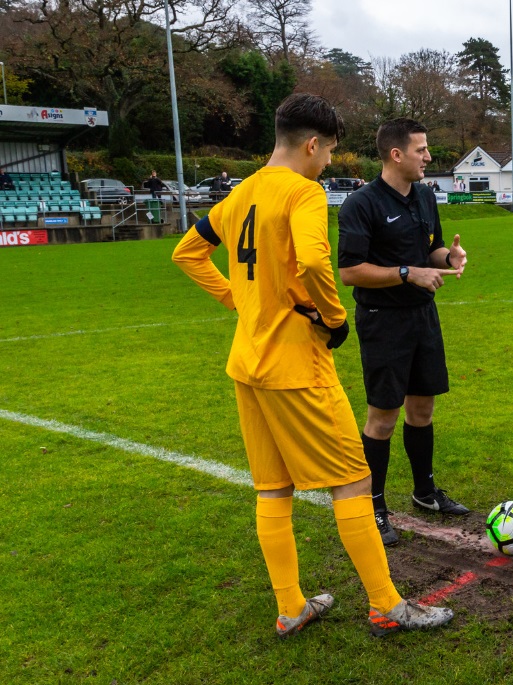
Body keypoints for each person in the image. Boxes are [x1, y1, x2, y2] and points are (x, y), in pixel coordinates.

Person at [171, 94, 453, 639]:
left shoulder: (241, 192)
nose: (328, 163)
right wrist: (332, 316)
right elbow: (314, 260)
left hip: (247, 363)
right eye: (329, 153)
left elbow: (187, 251)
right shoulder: (303, 192)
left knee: (273, 489)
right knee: (353, 479)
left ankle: (291, 606)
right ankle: (387, 604)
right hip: (295, 364)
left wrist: (238, 300)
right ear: (311, 144)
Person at [338, 118, 470, 547]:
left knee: (423, 410)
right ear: (396, 155)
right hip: (383, 321)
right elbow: (350, 271)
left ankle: (425, 491)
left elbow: (427, 251)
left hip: (422, 317)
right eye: (421, 150)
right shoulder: (361, 204)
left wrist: (448, 258)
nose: (428, 157)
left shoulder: (426, 196)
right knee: (383, 416)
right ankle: (373, 505)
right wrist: (405, 273)